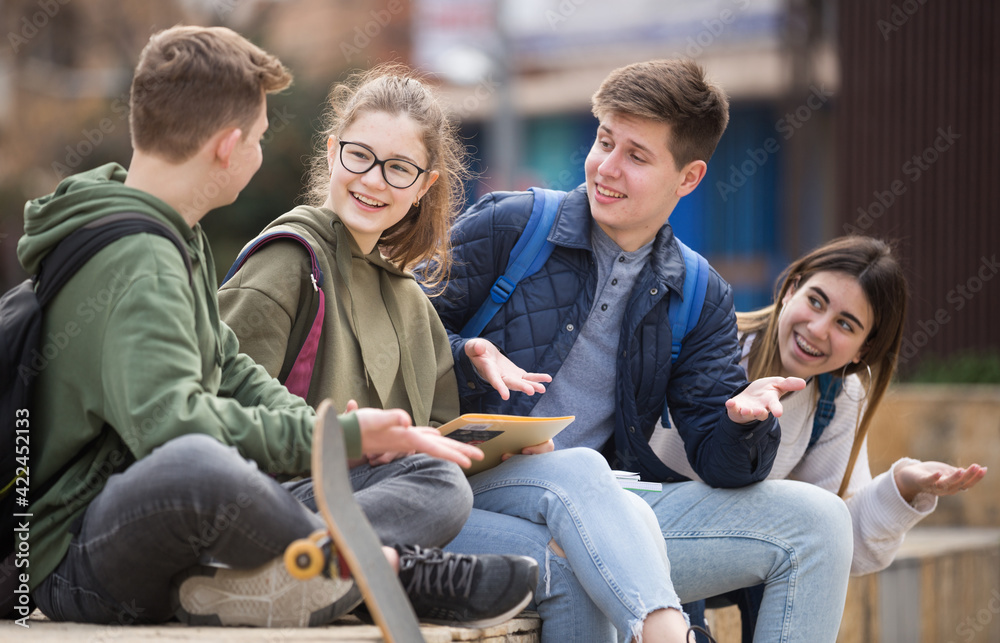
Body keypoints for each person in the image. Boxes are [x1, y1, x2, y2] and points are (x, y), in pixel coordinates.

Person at [19, 26, 536, 629]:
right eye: (261, 138)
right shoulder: (137, 258)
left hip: (195, 519)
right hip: (74, 556)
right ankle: (389, 572)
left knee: (432, 478)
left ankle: (275, 580)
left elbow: (234, 370)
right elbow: (172, 428)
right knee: (196, 463)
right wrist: (332, 444)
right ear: (228, 146)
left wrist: (350, 434)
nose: (262, 152)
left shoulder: (173, 239)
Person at [216, 62, 716, 642]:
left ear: (424, 185)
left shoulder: (405, 294)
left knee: (572, 497)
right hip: (294, 501)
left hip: (398, 498)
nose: (374, 181)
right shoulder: (286, 262)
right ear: (331, 153)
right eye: (359, 156)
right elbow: (222, 411)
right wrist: (350, 437)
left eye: (399, 167)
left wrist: (504, 445)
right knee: (543, 542)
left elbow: (434, 434)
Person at [425, 59, 855, 643]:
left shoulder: (701, 294)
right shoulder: (512, 225)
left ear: (689, 177)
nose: (607, 168)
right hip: (470, 487)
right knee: (578, 473)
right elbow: (397, 329)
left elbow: (719, 464)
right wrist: (463, 351)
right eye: (604, 141)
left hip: (611, 510)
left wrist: (745, 425)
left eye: (637, 156)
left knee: (821, 522)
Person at [652, 235, 988, 639]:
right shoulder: (714, 347)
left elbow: (835, 542)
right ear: (791, 289)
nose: (818, 329)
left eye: (846, 324)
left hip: (734, 564)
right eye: (816, 301)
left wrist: (902, 488)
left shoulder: (836, 397)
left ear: (865, 349)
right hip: (651, 538)